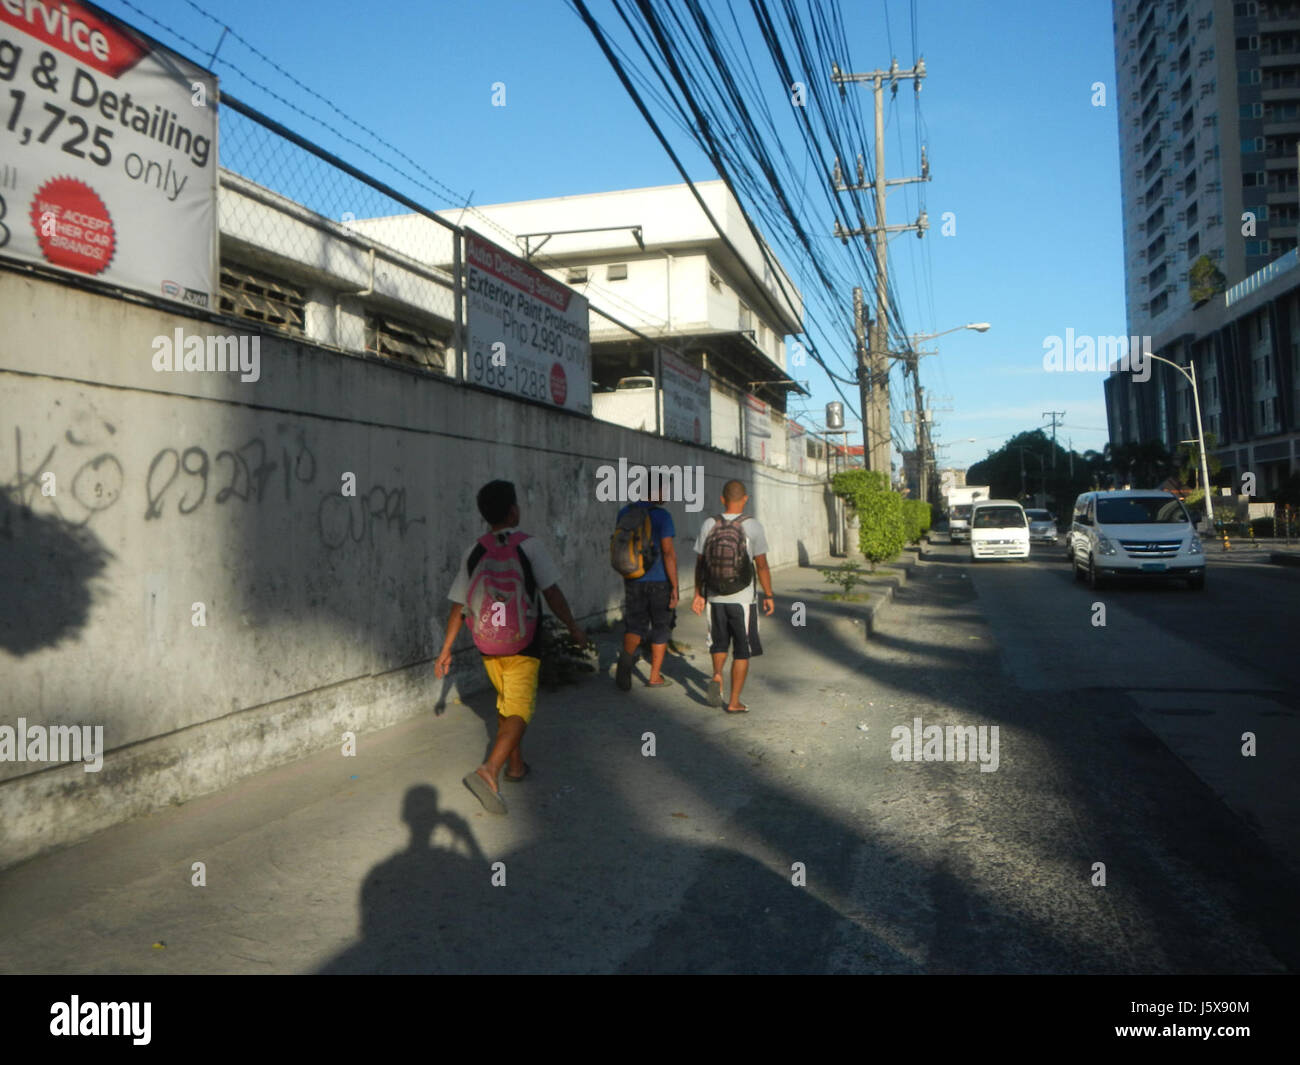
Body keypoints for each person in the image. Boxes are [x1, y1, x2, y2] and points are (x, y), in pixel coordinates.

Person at [435, 480, 586, 814]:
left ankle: (516, 767)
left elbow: (459, 605)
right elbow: (552, 592)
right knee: (519, 709)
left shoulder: (473, 550)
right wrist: (573, 626)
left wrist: (446, 648)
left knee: (506, 702)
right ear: (513, 510)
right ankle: (489, 771)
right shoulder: (530, 546)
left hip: (488, 643)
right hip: (523, 642)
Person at [692, 479, 774, 713]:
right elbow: (762, 565)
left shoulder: (709, 523)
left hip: (715, 597)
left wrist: (699, 593)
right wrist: (768, 594)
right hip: (742, 598)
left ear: (722, 499)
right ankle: (734, 701)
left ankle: (717, 676)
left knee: (718, 642)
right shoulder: (753, 526)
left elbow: (700, 563)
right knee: (742, 649)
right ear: (745, 498)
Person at [614, 483, 679, 691]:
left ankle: (626, 658)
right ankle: (654, 677)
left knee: (634, 624)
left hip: (633, 578)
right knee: (661, 626)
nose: (667, 495)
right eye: (665, 491)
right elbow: (668, 552)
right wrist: (675, 586)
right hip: (659, 580)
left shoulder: (625, 512)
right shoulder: (663, 516)